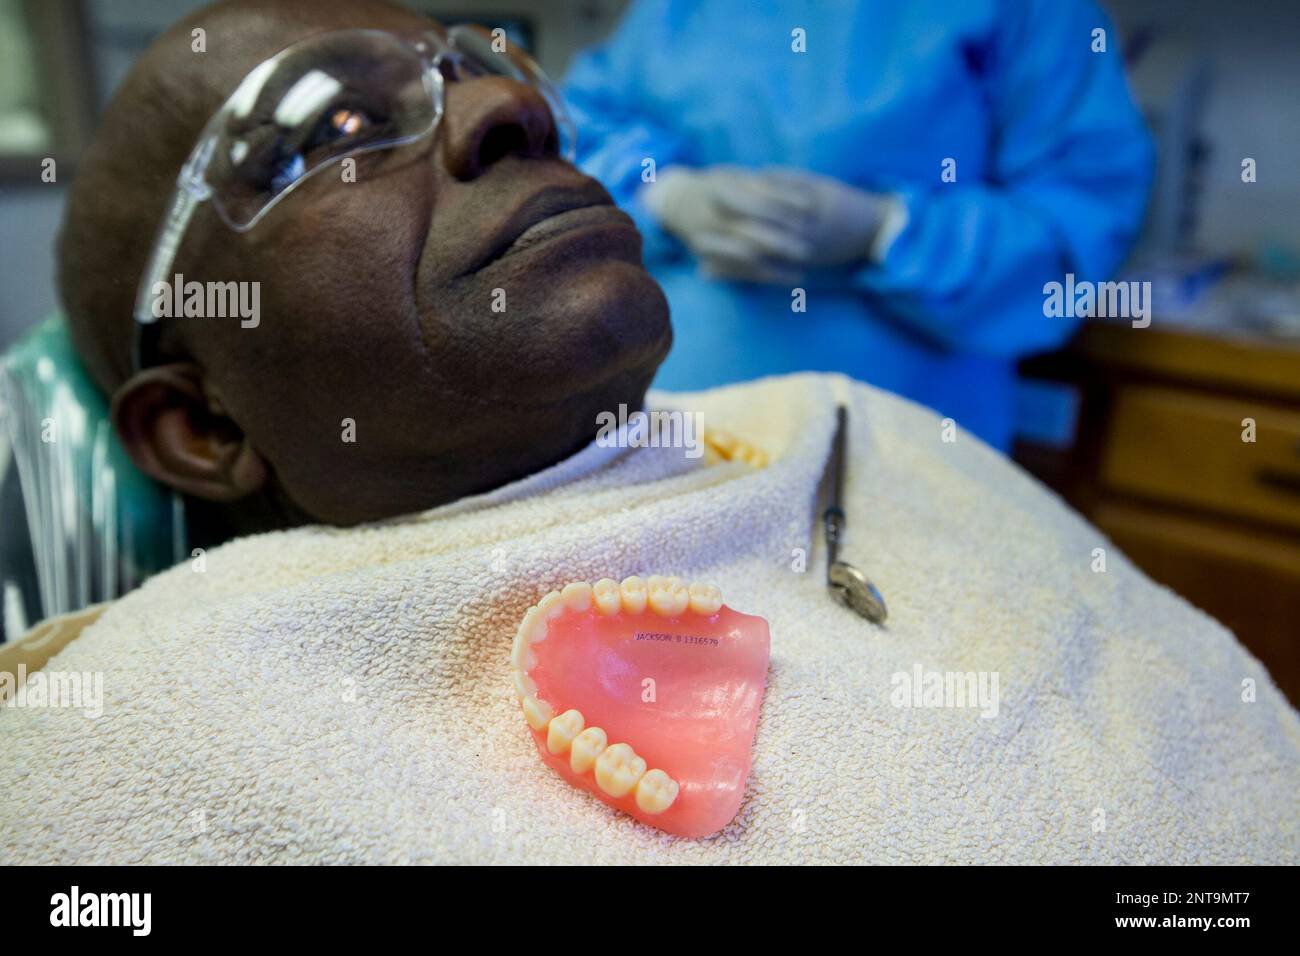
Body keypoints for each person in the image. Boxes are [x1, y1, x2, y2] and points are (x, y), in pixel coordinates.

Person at [1, 0, 1296, 865]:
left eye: (490, 65)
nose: (522, 114)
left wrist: (897, 233)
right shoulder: (126, 744)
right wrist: (675, 189)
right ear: (197, 427)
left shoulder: (868, 442)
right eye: (334, 127)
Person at [564, 0, 1154, 449]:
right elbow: (579, 127)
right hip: (673, 418)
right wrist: (664, 193)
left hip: (910, 442)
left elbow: (1081, 213)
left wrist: (885, 232)